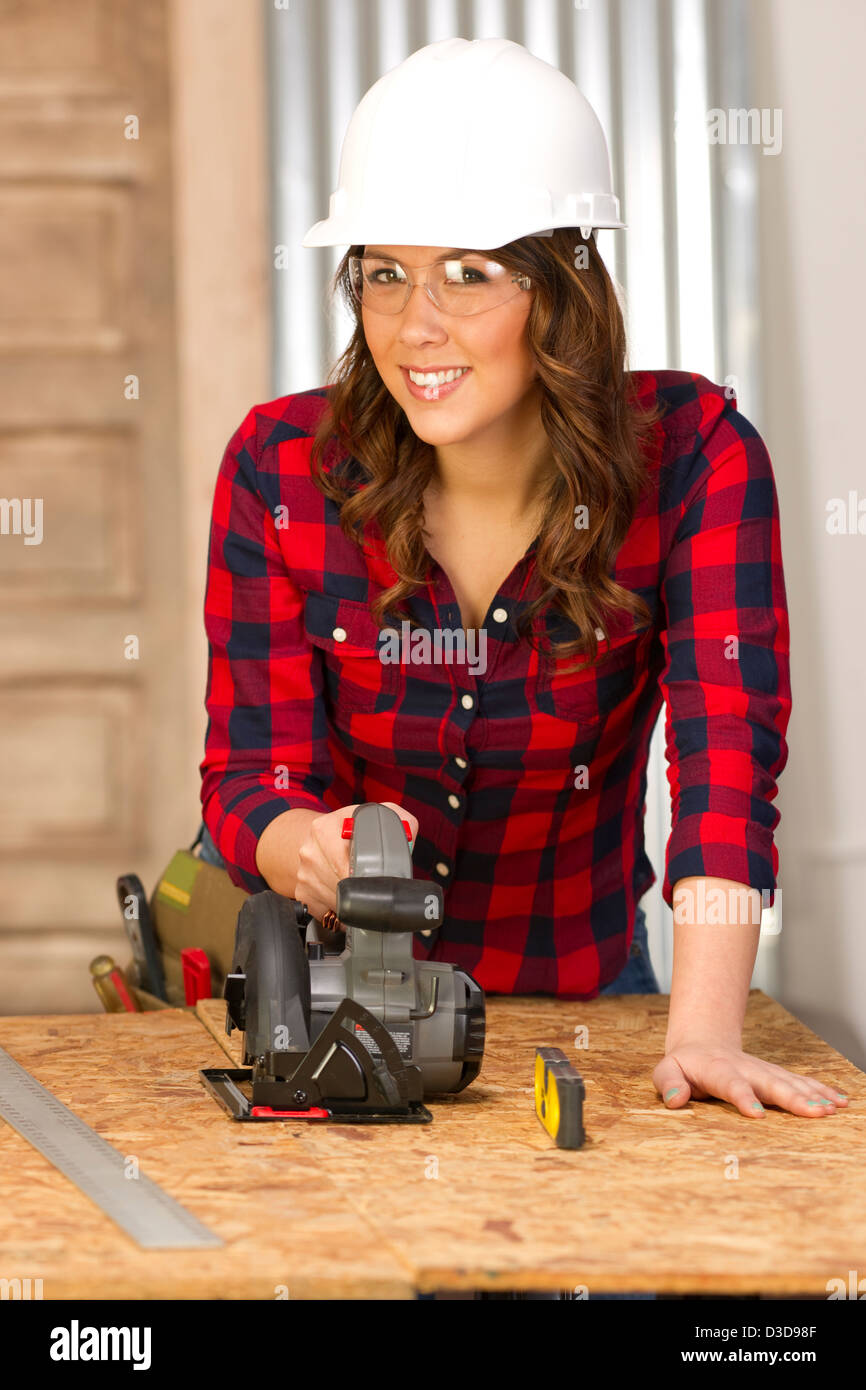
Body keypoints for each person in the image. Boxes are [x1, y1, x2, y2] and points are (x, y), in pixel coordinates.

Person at [200, 36, 847, 1143]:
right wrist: (298, 841)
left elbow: (725, 772)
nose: (415, 327)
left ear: (564, 286)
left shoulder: (693, 460)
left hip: (591, 1000)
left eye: (469, 272)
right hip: (334, 1022)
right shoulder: (280, 466)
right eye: (383, 271)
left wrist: (700, 1030)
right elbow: (243, 780)